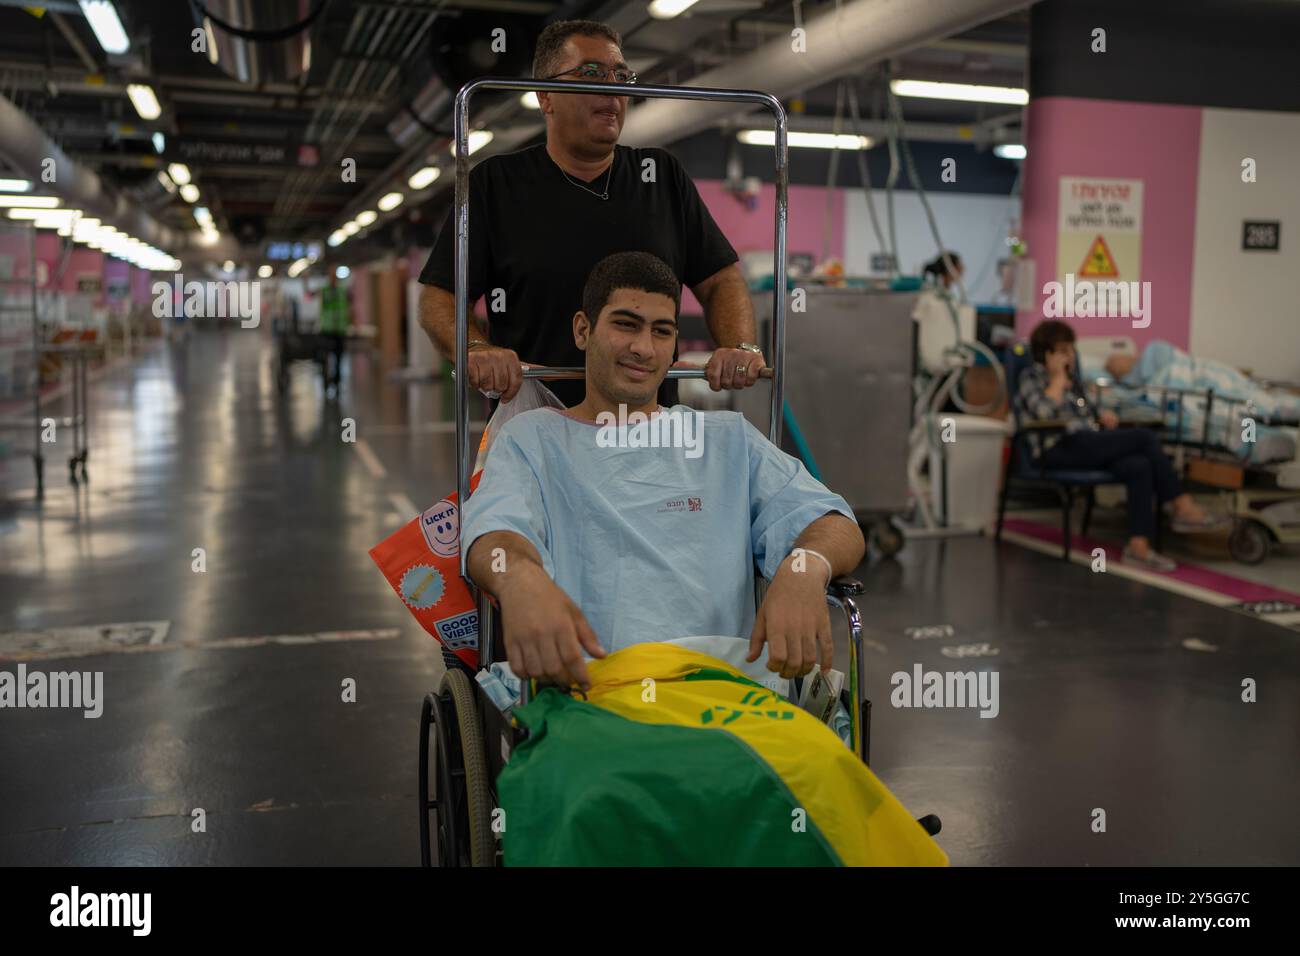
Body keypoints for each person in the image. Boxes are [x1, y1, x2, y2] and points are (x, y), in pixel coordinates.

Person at [461, 251, 865, 690]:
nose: (643, 348)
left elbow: (832, 522)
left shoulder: (725, 439)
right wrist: (520, 580)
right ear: (583, 330)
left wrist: (803, 568)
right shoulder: (533, 439)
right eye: (625, 324)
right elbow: (495, 535)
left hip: (725, 688)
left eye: (662, 331)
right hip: (592, 692)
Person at [417, 19, 765, 408]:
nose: (612, 88)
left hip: (646, 430)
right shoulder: (496, 184)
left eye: (620, 75)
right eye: (591, 73)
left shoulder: (661, 177)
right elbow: (440, 297)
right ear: (545, 96)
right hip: (536, 428)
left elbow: (721, 280)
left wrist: (740, 345)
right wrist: (476, 348)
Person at [1017, 321, 1229, 571]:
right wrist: (1056, 380)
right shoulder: (1030, 377)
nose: (1070, 356)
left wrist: (1101, 416)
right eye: (1063, 351)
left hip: (1083, 444)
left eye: (1072, 350)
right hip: (1054, 448)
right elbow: (1044, 414)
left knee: (1138, 465)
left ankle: (1138, 547)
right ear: (1046, 354)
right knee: (1144, 438)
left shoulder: (1074, 382)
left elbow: (1086, 414)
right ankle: (1182, 505)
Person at [912, 250, 972, 375]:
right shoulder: (931, 298)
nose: (964, 269)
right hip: (935, 359)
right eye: (960, 265)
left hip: (945, 357)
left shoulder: (947, 298)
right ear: (950, 268)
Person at [318, 273, 350, 393]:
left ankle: (336, 382)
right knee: (324, 358)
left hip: (340, 330)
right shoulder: (324, 290)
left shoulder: (343, 290)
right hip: (326, 329)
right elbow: (308, 295)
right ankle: (326, 380)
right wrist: (305, 281)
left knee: (339, 359)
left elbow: (349, 305)